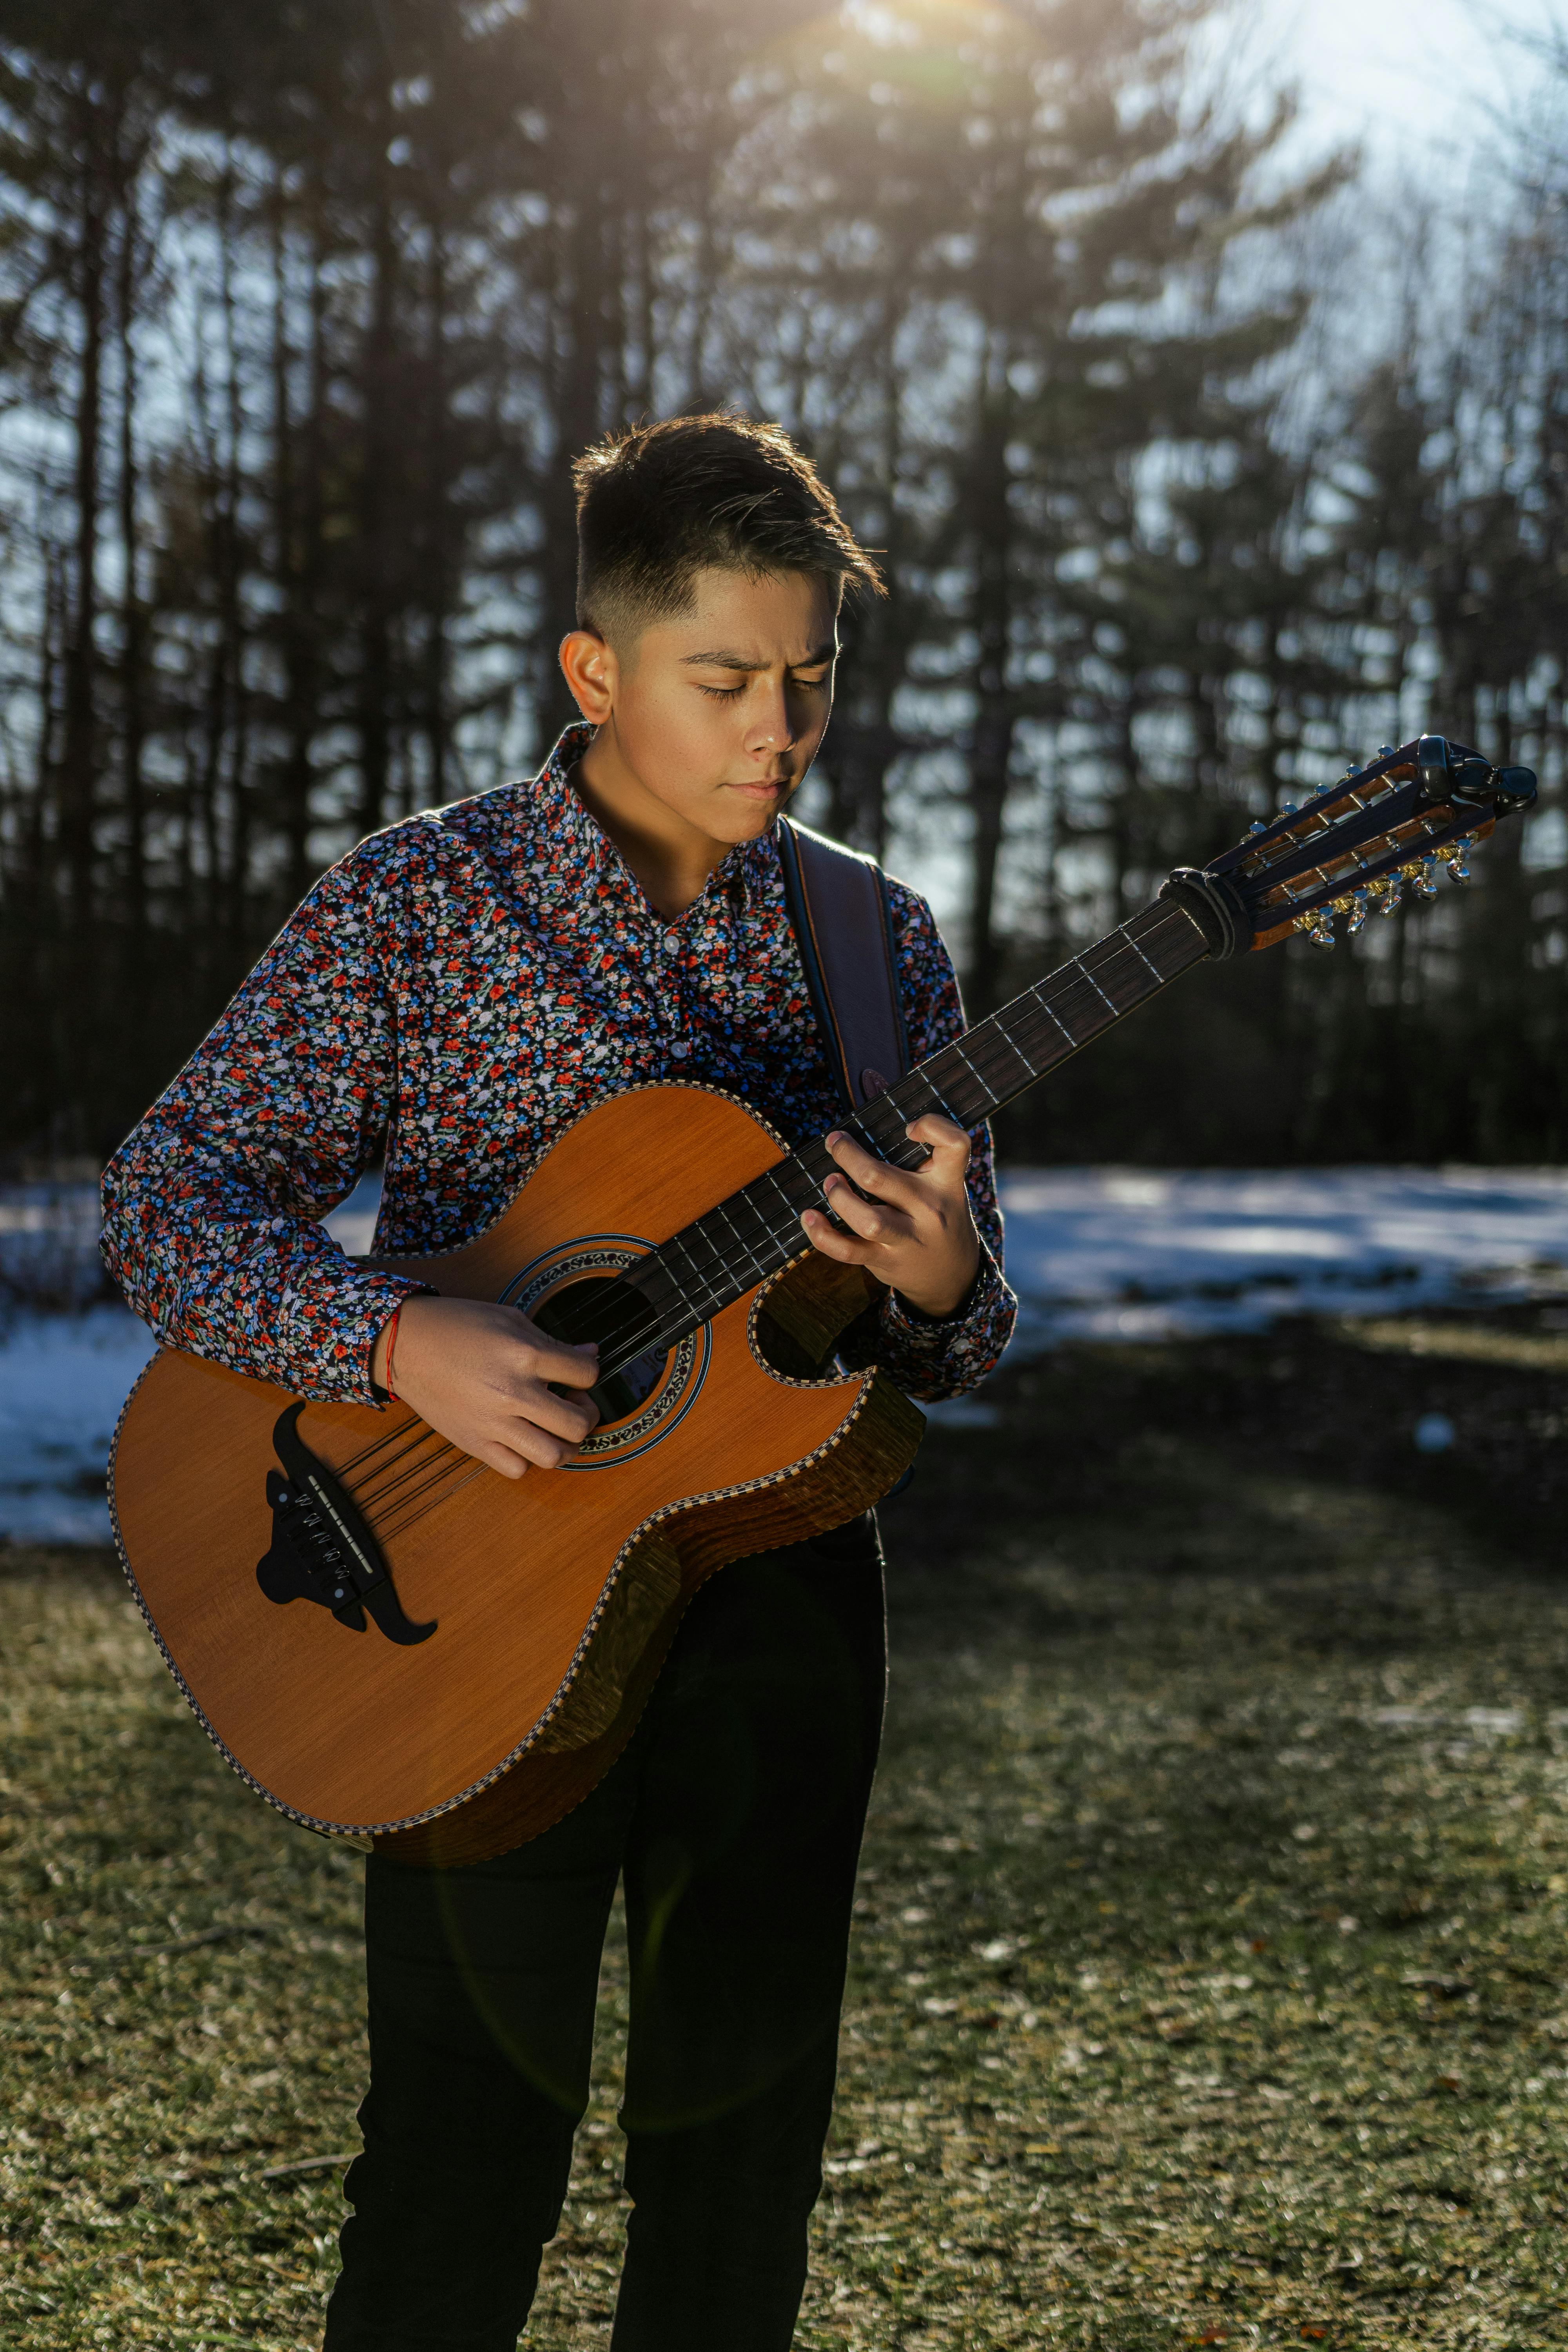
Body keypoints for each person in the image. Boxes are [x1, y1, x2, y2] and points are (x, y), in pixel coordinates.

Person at [100, 414, 1017, 2350]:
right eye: (725, 680)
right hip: (460, 1606)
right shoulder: (418, 909)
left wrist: (941, 1275)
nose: (781, 728)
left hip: (773, 1597)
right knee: (454, 2165)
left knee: (740, 2171)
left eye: (810, 679)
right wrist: (391, 1339)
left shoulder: (877, 942)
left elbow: (958, 1322)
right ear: (593, 670)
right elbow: (165, 1207)